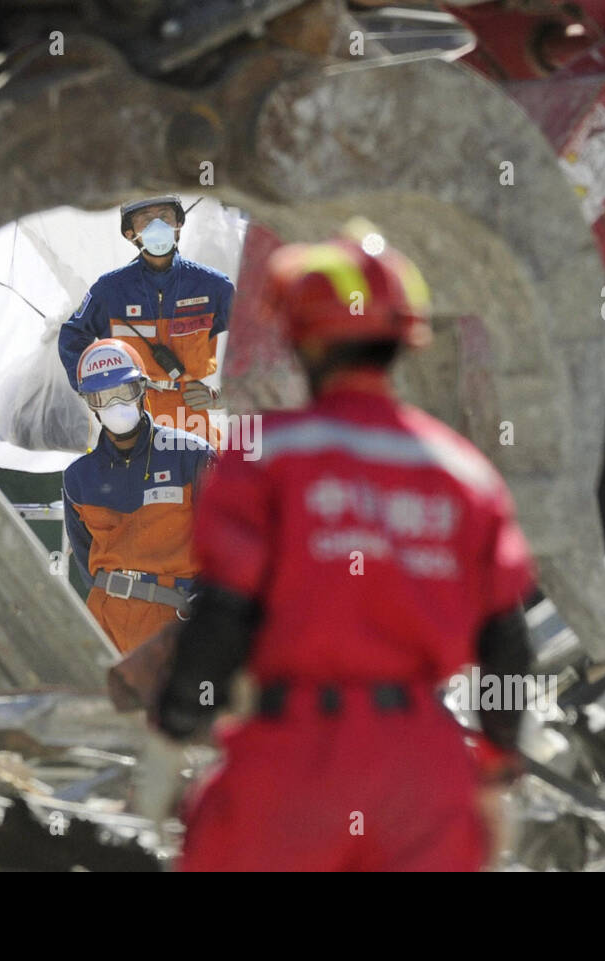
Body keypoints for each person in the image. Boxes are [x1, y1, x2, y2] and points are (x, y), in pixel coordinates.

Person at [154, 221, 537, 871]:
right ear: (403, 338)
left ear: (302, 339)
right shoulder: (465, 475)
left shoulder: (263, 455)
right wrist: (497, 766)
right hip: (423, 769)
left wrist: (176, 722)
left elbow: (223, 611)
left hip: (291, 763)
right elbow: (507, 643)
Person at [63, 339, 215, 654]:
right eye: (103, 397)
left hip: (175, 618)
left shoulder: (191, 455)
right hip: (107, 624)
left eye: (125, 391)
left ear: (142, 389)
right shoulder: (79, 478)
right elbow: (85, 560)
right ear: (90, 404)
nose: (116, 405)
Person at [58, 196, 233, 447]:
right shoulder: (110, 290)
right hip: (129, 413)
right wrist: (97, 392)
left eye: (165, 216)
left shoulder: (213, 287)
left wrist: (222, 398)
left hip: (192, 414)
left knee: (200, 480)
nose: (157, 226)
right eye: (147, 220)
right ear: (130, 233)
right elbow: (72, 337)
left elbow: (261, 341)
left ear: (180, 223)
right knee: (132, 479)